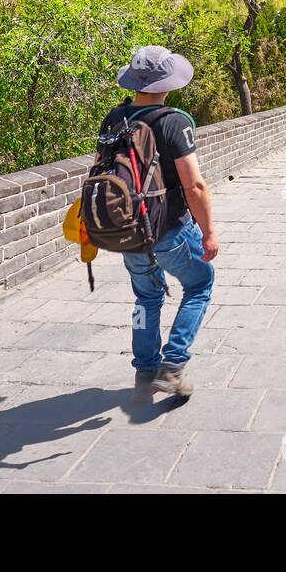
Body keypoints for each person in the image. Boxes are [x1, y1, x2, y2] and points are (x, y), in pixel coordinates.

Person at [106, 46, 218, 403]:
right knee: (199, 285)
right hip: (169, 227)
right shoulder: (174, 120)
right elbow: (194, 185)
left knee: (146, 296)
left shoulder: (114, 117)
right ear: (168, 82)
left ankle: (145, 371)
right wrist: (209, 231)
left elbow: (99, 169)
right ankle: (173, 366)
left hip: (127, 230)